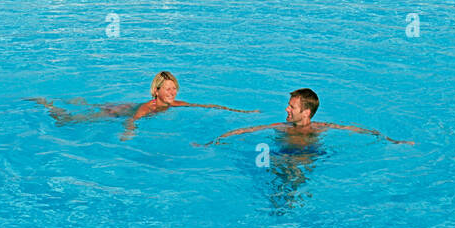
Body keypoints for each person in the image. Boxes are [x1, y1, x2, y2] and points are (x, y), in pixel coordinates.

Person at [29, 71, 256, 140]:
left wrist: (241, 112)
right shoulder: (149, 107)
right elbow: (133, 118)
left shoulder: (176, 103)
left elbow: (207, 106)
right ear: (156, 91)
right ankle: (48, 104)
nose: (172, 92)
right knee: (66, 121)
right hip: (117, 112)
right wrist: (129, 132)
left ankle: (79, 101)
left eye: (174, 88)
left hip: (125, 106)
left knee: (88, 106)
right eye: (167, 89)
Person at [199, 87, 413, 148]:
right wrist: (214, 141)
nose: (286, 109)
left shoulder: (321, 127)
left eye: (292, 107)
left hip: (308, 157)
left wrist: (392, 141)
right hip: (283, 156)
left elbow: (357, 130)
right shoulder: (281, 127)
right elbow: (245, 130)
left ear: (306, 112)